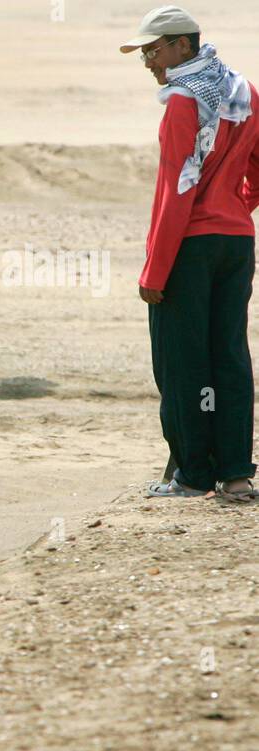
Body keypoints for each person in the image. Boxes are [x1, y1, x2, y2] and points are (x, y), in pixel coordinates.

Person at [121, 6, 259, 500]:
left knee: (183, 363)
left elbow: (174, 192)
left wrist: (155, 270)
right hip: (237, 243)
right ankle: (238, 473)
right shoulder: (242, 91)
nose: (149, 62)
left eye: (154, 51)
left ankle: (194, 475)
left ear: (183, 45)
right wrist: (235, 207)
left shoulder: (182, 103)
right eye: (144, 55)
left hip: (191, 247)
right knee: (228, 355)